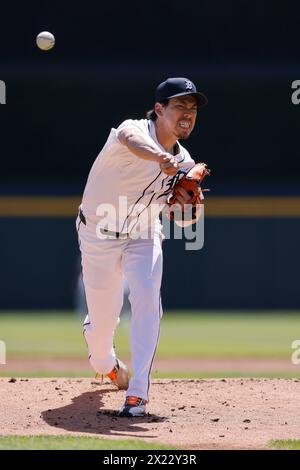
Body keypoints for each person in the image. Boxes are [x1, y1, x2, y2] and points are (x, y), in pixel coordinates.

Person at [76, 77, 208, 417]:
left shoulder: (186, 161)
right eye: (180, 106)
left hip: (143, 232)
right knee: (103, 331)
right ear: (159, 109)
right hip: (99, 234)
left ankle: (138, 394)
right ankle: (103, 355)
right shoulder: (135, 128)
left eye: (192, 109)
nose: (187, 114)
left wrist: (191, 209)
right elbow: (128, 138)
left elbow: (184, 221)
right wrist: (160, 157)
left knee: (148, 298)